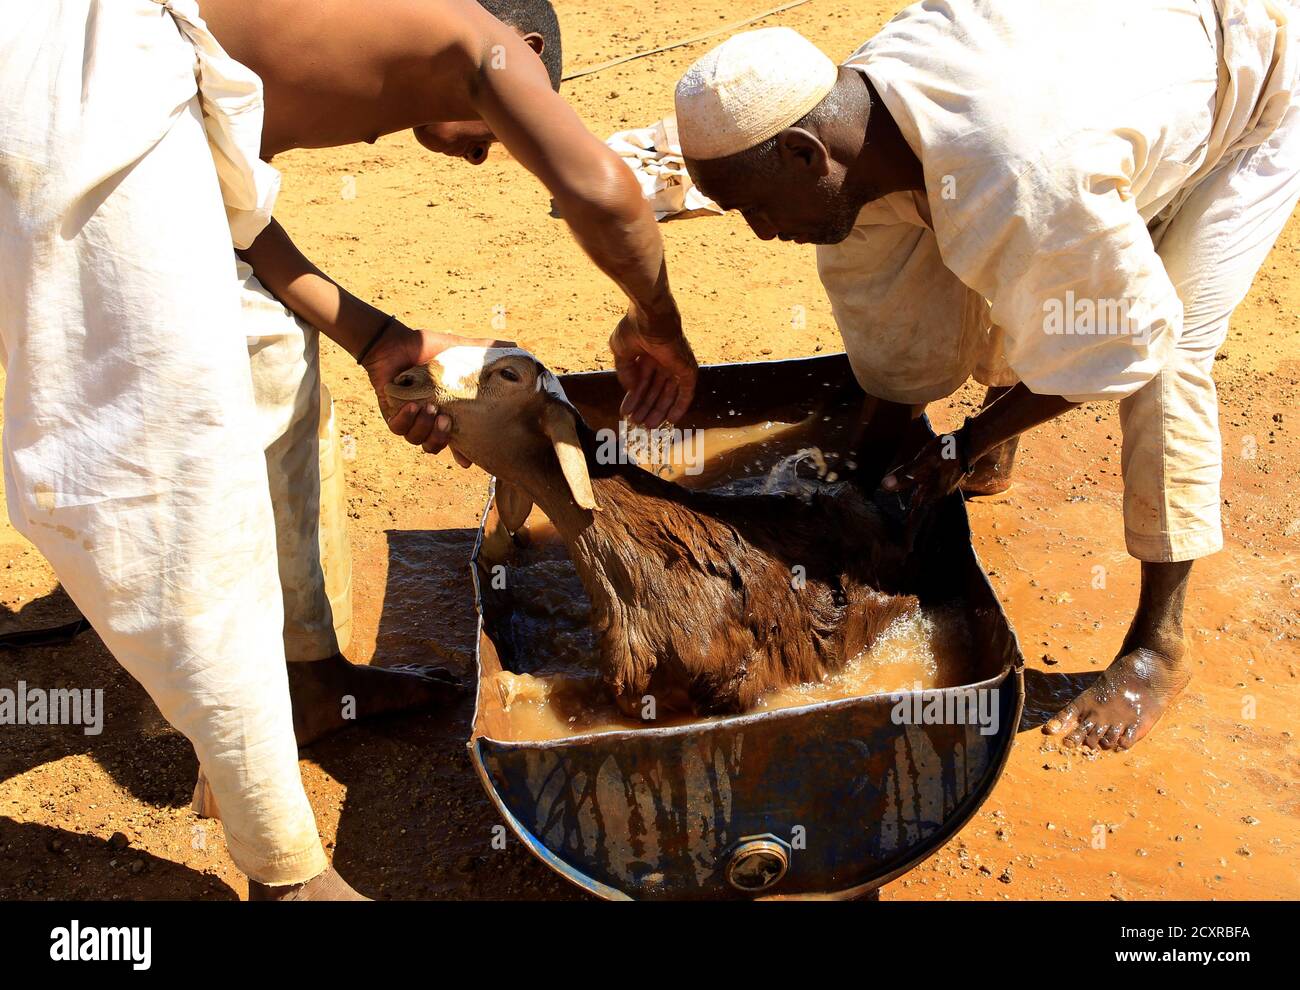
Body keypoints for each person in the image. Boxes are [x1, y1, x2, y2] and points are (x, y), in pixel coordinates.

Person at [0, 0, 696, 900]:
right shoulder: (473, 42)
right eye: (510, 114)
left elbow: (240, 220)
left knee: (269, 351)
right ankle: (288, 873)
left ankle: (307, 680)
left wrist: (379, 343)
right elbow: (605, 191)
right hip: (71, 98)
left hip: (131, 83)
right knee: (181, 487)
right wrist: (658, 325)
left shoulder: (327, 48)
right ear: (523, 49)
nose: (487, 151)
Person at [671, 1, 1298, 752]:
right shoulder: (857, 136)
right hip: (1102, 76)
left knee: (1167, 358)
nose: (761, 233)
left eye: (756, 208)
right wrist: (852, 491)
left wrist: (962, 444)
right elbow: (895, 322)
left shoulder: (1027, 173)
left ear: (807, 153)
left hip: (1250, 87)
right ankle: (1003, 437)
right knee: (1008, 257)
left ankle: (1157, 648)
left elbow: (1119, 337)